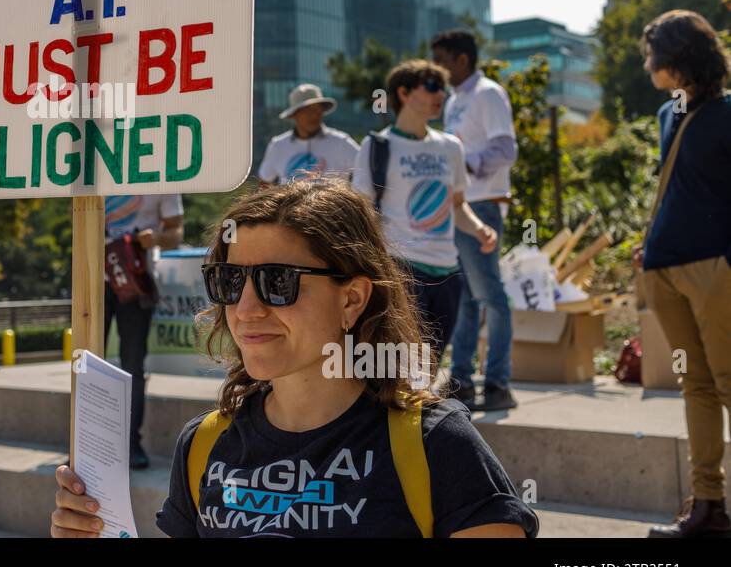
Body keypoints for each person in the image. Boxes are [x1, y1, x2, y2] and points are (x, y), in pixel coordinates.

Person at [50, 178, 538, 538]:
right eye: (229, 281)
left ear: (351, 300)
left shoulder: (436, 445)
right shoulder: (203, 443)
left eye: (277, 281)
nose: (245, 309)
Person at [633, 10, 731, 538]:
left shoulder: (727, 113)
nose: (648, 63)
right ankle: (709, 507)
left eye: (653, 53)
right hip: (664, 266)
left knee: (728, 381)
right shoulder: (668, 113)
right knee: (695, 384)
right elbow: (676, 186)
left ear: (678, 58)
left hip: (714, 269)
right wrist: (649, 245)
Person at [351, 60, 497, 365]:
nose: (440, 94)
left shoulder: (450, 147)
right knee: (400, 360)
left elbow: (457, 206)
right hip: (402, 268)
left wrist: (479, 228)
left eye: (442, 88)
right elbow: (361, 209)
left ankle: (416, 412)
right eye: (431, 86)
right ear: (403, 93)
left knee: (430, 361)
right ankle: (395, 410)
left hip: (447, 270)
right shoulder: (378, 145)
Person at [432, 29, 519, 412]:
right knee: (467, 298)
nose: (438, 68)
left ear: (462, 59)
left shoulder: (487, 93)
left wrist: (463, 166)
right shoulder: (455, 101)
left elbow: (505, 148)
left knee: (491, 297)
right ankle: (463, 382)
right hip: (461, 207)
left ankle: (497, 384)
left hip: (482, 206)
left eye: (442, 59)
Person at [103, 193, 184, 469]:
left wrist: (157, 238)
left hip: (137, 280)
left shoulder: (162, 173)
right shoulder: (99, 163)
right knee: (86, 363)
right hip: (95, 277)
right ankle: (85, 441)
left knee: (133, 365)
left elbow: (176, 231)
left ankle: (130, 443)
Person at [258, 83, 360, 183]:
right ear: (294, 114)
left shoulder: (341, 142)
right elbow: (264, 181)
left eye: (318, 110)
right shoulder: (277, 146)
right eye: (307, 110)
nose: (314, 115)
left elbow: (366, 171)